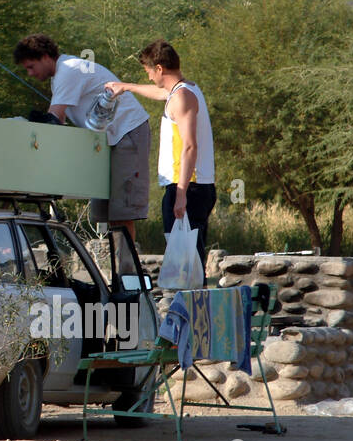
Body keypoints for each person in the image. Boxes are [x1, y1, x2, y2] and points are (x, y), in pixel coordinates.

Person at [13, 34, 152, 251]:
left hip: (126, 132)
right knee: (105, 213)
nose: (30, 74)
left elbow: (53, 119)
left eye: (31, 66)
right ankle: (119, 272)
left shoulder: (68, 70)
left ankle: (127, 275)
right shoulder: (61, 74)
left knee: (122, 212)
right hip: (107, 140)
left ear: (45, 56)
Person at [104, 39, 216, 272]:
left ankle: (190, 306)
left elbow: (189, 147)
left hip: (187, 186)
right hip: (192, 187)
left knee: (187, 265)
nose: (148, 78)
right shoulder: (184, 91)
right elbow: (159, 92)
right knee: (188, 260)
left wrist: (181, 194)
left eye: (148, 72)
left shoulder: (181, 98)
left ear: (159, 69)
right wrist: (125, 87)